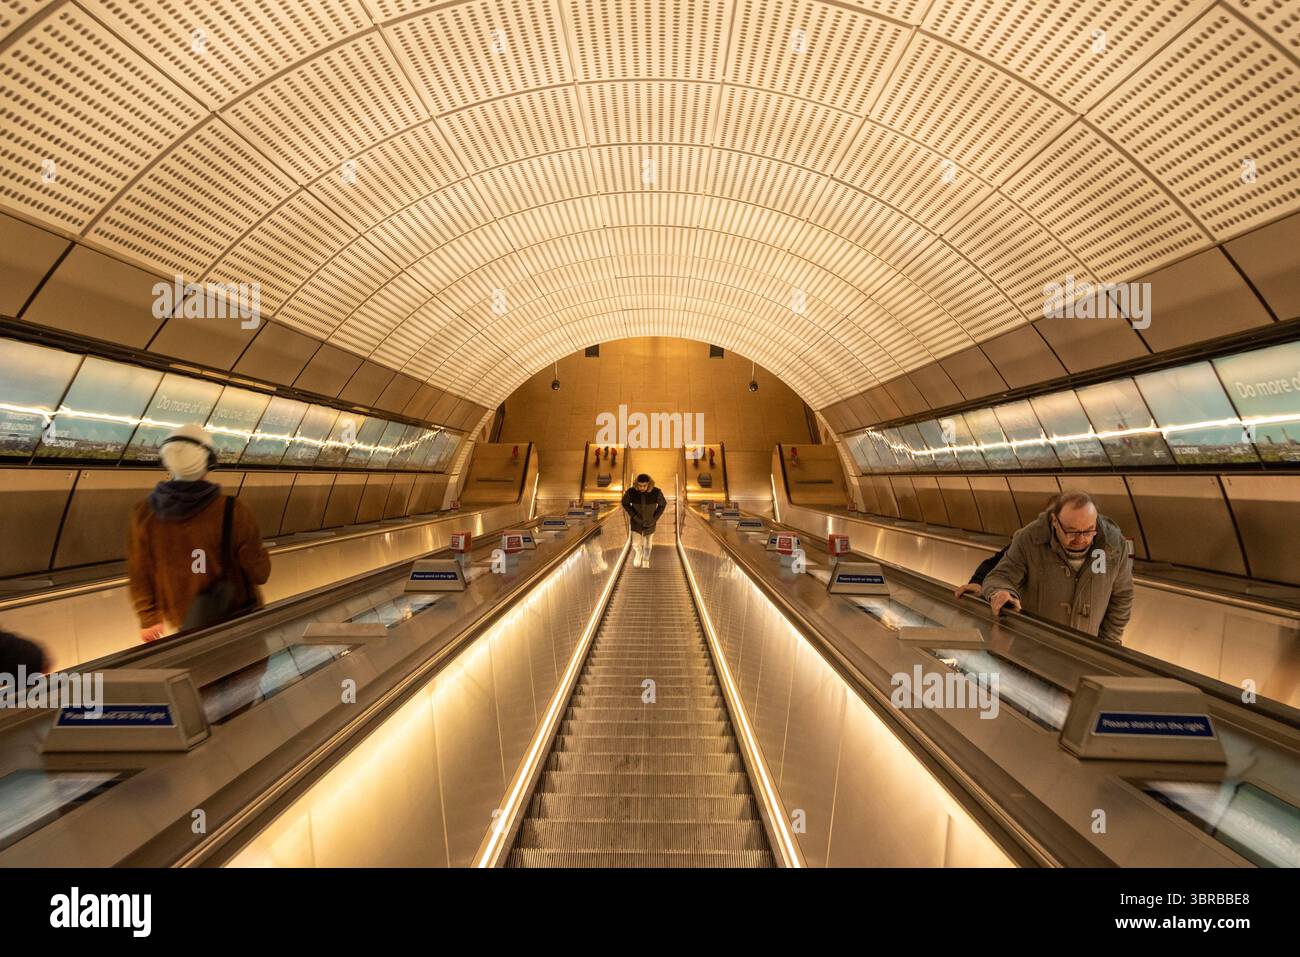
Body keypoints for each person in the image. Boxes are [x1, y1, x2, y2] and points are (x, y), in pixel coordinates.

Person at [127, 424, 271, 642]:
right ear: (209, 461)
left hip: (188, 625)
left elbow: (139, 571)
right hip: (238, 622)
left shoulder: (144, 514)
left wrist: (148, 617)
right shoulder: (232, 510)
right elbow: (260, 573)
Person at [981, 491, 1133, 645]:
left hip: (1085, 650)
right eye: (1072, 531)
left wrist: (1107, 644)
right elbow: (999, 577)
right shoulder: (1029, 539)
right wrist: (1001, 591)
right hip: (1034, 647)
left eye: (1089, 530)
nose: (1081, 539)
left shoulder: (1113, 545)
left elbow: (1122, 596)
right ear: (1055, 521)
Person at [621, 473, 666, 568]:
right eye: (640, 485)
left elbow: (663, 504)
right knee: (635, 543)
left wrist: (655, 518)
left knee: (648, 544)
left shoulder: (656, 492)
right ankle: (639, 552)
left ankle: (646, 560)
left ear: (649, 484)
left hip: (650, 522)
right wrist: (634, 516)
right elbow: (624, 502)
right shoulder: (631, 492)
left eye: (644, 486)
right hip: (636, 522)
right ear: (637, 484)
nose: (642, 488)